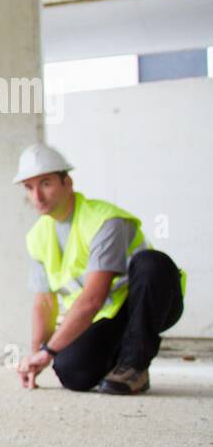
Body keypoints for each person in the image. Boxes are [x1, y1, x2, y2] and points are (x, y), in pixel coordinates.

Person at [13, 143, 185, 395]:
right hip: (104, 317)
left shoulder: (104, 221)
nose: (37, 196)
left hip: (150, 304)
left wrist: (49, 351)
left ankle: (134, 365)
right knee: (72, 372)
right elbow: (45, 303)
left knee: (152, 262)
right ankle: (121, 362)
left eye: (46, 183)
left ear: (67, 182)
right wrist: (38, 354)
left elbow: (94, 297)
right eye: (29, 187)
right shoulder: (37, 237)